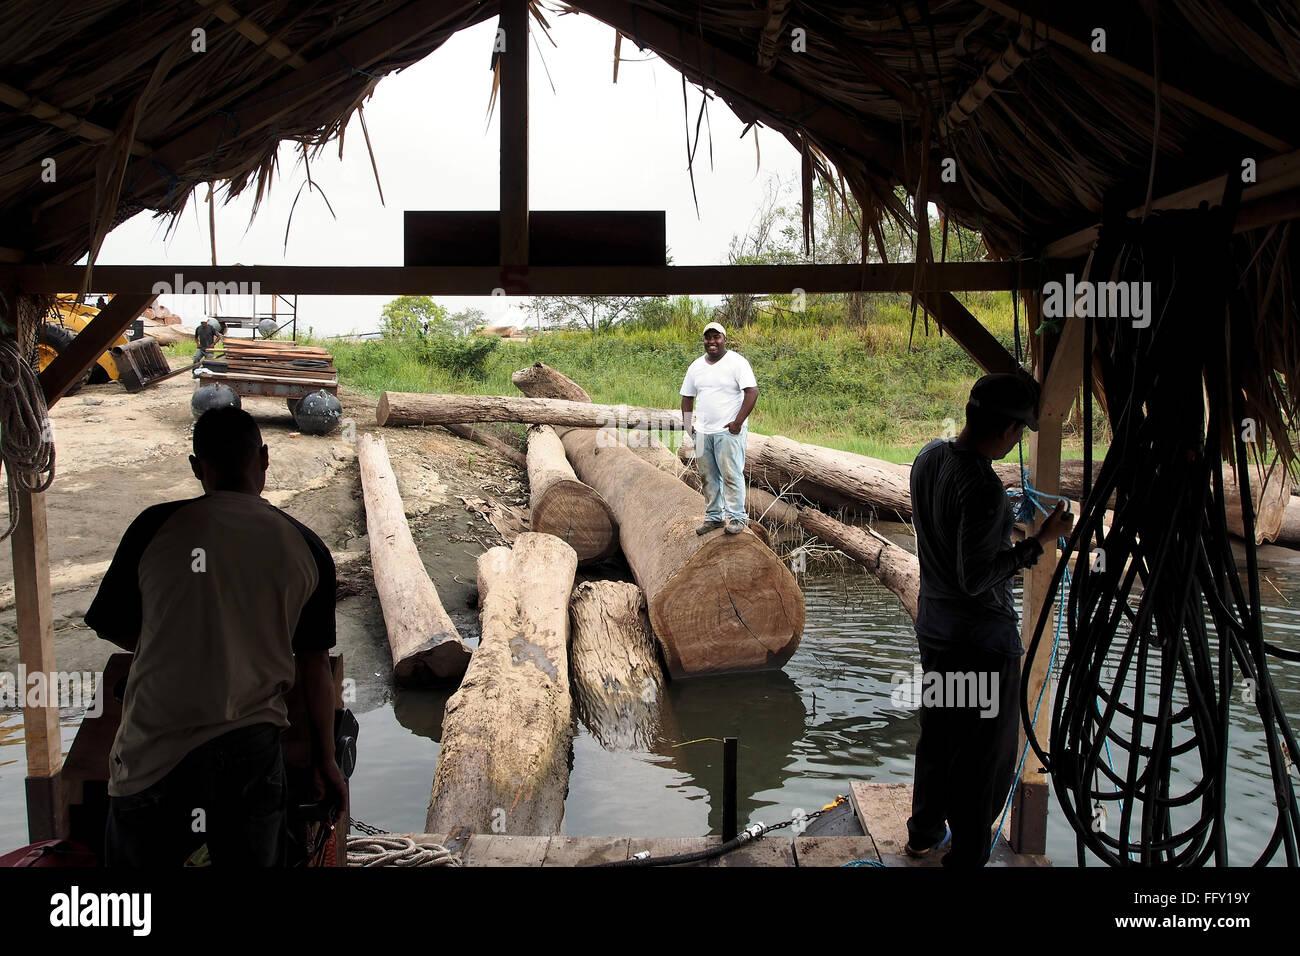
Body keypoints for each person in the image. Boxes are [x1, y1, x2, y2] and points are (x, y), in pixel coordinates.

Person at [85, 407, 344, 866]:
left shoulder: (154, 527)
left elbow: (112, 624)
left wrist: (174, 637)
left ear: (196, 467)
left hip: (152, 752)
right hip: (250, 755)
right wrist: (326, 762)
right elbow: (315, 664)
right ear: (264, 459)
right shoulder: (304, 546)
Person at [904, 373, 1073, 867]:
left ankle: (923, 834)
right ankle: (967, 857)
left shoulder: (928, 457)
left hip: (936, 629)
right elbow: (976, 576)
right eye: (1019, 432)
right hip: (981, 642)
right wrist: (1038, 541)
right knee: (982, 758)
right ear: (1006, 432)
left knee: (938, 736)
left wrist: (1003, 521)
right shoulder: (982, 487)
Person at [680, 321, 758, 535]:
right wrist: (689, 426)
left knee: (731, 473)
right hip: (703, 431)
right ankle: (714, 516)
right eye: (708, 338)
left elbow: (752, 392)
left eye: (716, 337)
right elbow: (687, 397)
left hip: (728, 431)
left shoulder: (737, 363)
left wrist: (738, 423)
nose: (711, 342)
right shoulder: (696, 366)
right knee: (708, 476)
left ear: (725, 339)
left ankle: (737, 518)